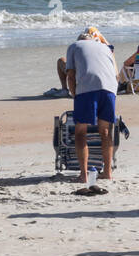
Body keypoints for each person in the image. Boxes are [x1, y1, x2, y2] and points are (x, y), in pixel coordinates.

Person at [64, 29, 118, 183]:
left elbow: (70, 75)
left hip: (87, 89)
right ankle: (107, 172)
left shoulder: (74, 46)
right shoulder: (106, 47)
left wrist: (75, 95)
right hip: (110, 89)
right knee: (106, 131)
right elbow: (116, 75)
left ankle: (84, 175)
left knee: (80, 132)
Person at [49, 26, 110, 98]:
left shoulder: (77, 46)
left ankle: (64, 89)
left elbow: (71, 75)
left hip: (84, 81)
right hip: (105, 83)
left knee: (61, 60)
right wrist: (102, 38)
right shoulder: (105, 48)